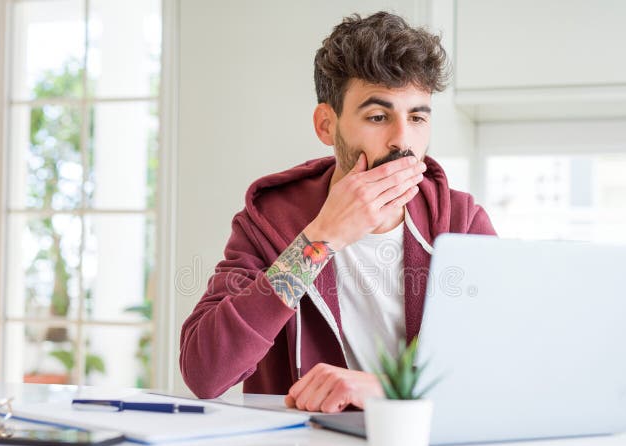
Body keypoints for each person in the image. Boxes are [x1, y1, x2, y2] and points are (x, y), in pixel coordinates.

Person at [180, 11, 496, 413]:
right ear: (327, 125)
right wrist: (319, 240)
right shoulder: (269, 220)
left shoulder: (461, 222)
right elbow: (204, 372)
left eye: (417, 117)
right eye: (378, 117)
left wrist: (382, 389)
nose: (403, 139)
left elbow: (499, 372)